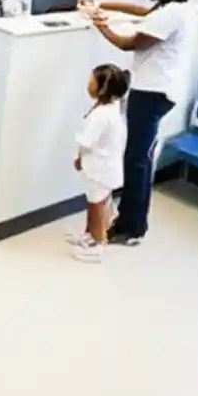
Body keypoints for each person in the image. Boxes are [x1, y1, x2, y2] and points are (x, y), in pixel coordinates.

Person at [81, 0, 192, 246]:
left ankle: (132, 226)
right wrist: (102, 5)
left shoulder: (169, 15)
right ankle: (131, 220)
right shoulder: (171, 9)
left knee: (136, 161)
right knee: (137, 158)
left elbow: (129, 43)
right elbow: (140, 12)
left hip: (152, 94)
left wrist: (98, 22)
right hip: (155, 91)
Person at [66, 64, 131, 263]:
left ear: (102, 89)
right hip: (100, 168)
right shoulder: (110, 108)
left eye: (91, 82)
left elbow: (87, 141)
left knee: (98, 207)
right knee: (95, 203)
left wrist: (78, 158)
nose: (88, 85)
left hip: (99, 170)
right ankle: (89, 236)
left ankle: (98, 243)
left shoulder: (101, 115)